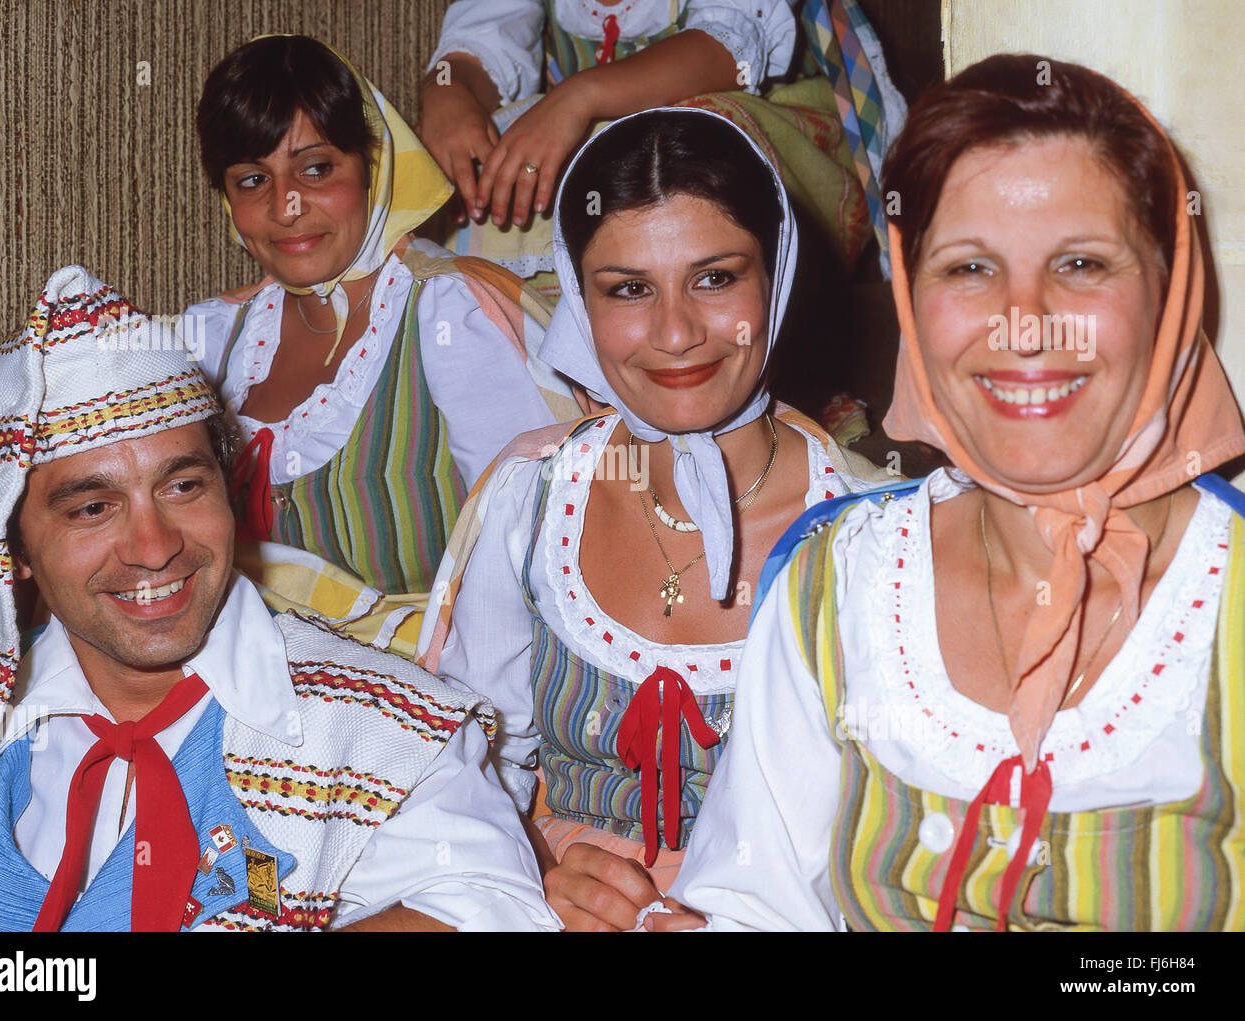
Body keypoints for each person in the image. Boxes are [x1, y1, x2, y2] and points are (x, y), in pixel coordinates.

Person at [670, 54, 1245, 931]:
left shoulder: (1229, 603)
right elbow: (751, 903)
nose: (1023, 320)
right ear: (908, 297)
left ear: (1172, 294)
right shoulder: (837, 586)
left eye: (1083, 262)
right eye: (969, 269)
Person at [0, 266, 559, 932]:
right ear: (14, 551)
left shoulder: (387, 737)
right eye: (94, 507)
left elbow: (488, 907)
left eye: (183, 487)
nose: (153, 547)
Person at [418, 108, 886, 931]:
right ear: (578, 297)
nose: (676, 333)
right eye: (629, 288)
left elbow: (906, 831)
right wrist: (530, 860)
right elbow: (459, 768)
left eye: (715, 277)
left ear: (774, 278)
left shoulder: (871, 535)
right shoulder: (531, 496)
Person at [185, 35, 582, 623]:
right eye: (252, 180)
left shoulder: (450, 314)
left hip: (435, 690)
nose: (286, 205)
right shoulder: (212, 340)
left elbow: (533, 563)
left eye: (315, 169)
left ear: (373, 169)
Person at [418, 0, 872, 294]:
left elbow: (725, 50)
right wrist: (449, 89)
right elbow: (479, 49)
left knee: (688, 136)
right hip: (605, 143)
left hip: (762, 135)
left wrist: (579, 96)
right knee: (477, 156)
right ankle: (550, 344)